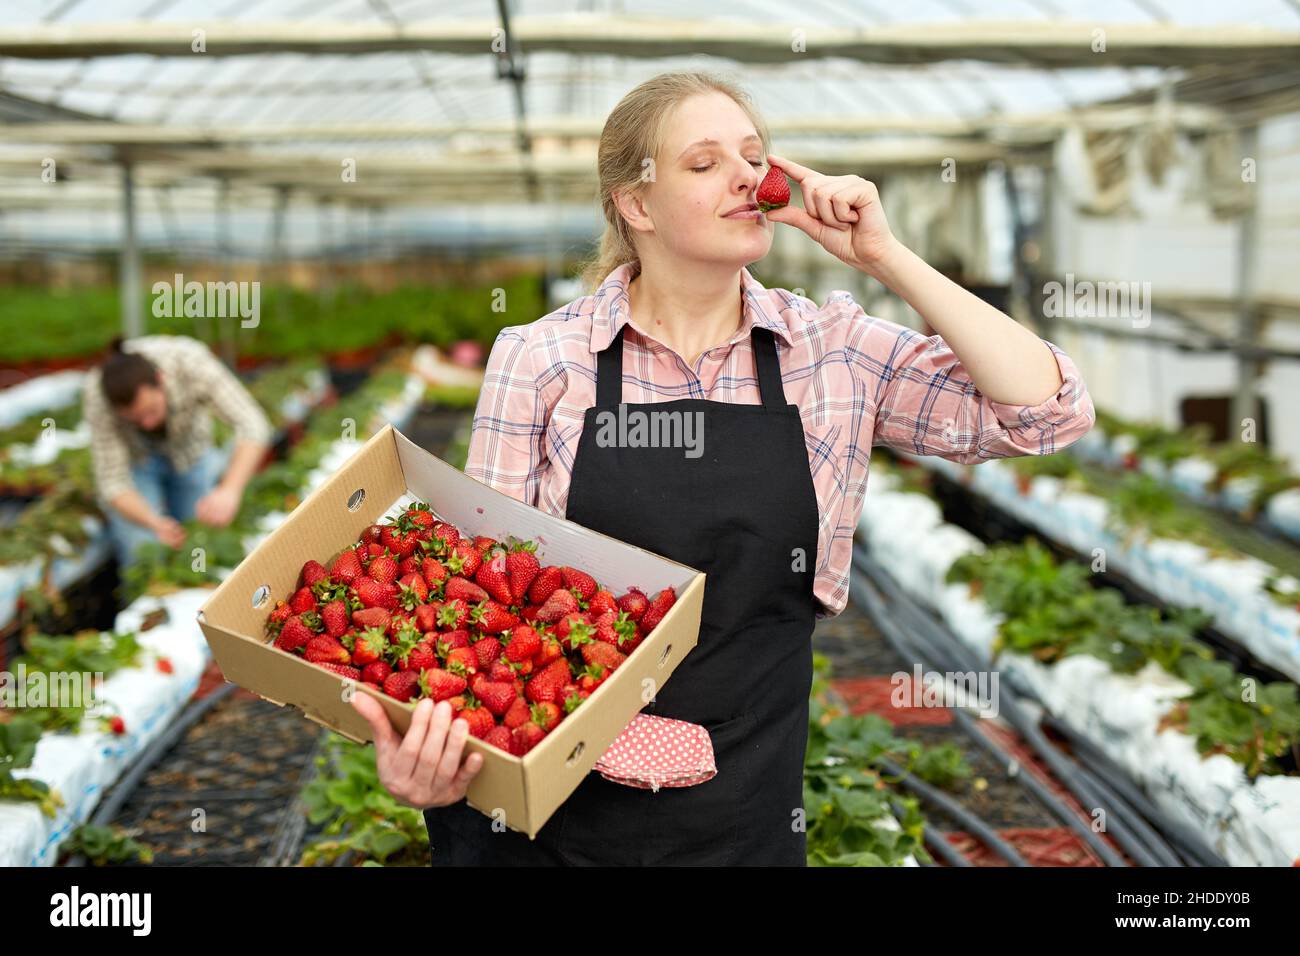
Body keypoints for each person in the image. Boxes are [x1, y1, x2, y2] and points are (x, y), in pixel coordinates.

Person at [350, 70, 1096, 866]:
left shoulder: (830, 352)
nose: (748, 176)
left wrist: (885, 258)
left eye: (754, 156)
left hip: (744, 803)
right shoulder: (543, 359)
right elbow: (477, 600)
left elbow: (1048, 412)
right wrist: (427, 759)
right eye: (704, 163)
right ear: (636, 204)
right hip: (547, 799)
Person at [85, 334, 273, 569]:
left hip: (190, 451)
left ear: (160, 379)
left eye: (151, 410)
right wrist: (152, 521)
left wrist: (230, 490)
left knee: (197, 540)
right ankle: (149, 596)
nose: (147, 424)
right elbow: (112, 482)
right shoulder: (98, 394)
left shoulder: (192, 363)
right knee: (142, 551)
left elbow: (253, 425)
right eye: (134, 418)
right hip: (138, 460)